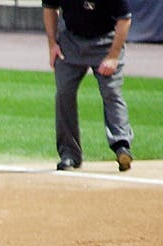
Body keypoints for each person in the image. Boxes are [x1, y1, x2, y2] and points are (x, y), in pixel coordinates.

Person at [43, 0, 135, 172]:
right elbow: (50, 8)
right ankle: (69, 154)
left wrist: (113, 56)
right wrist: (52, 44)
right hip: (71, 41)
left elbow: (124, 19)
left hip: (106, 42)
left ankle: (122, 145)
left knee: (111, 92)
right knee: (64, 93)